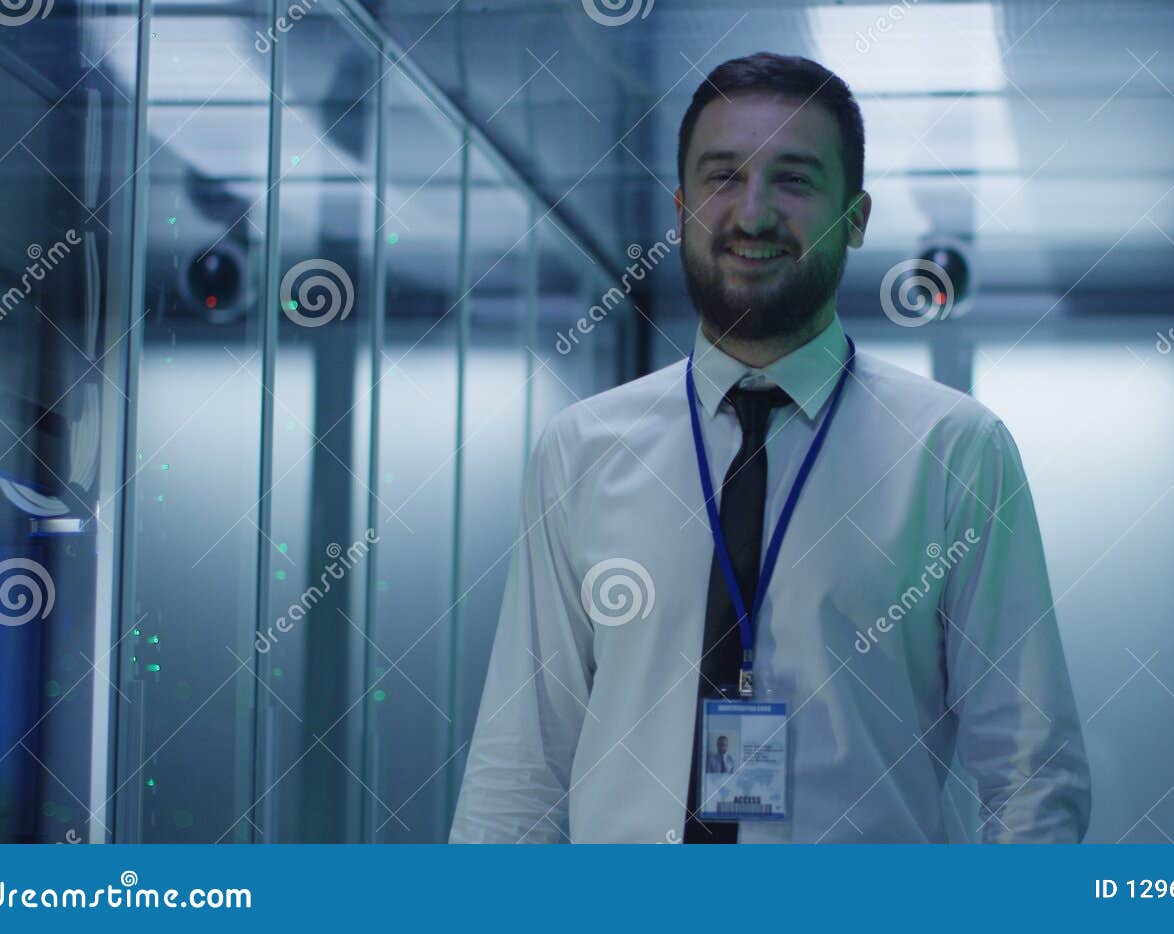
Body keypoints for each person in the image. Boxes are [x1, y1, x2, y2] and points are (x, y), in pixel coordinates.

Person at [450, 51, 1089, 844]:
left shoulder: (954, 450)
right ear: (681, 208)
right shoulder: (581, 451)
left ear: (854, 216)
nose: (752, 214)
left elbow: (1029, 769)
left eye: (793, 180)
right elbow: (522, 765)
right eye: (722, 178)